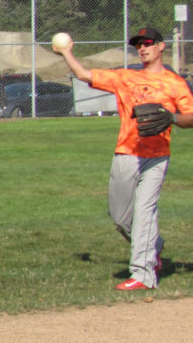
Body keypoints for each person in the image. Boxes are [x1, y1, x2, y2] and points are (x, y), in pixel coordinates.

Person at [55, 27, 193, 290]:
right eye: (138, 45)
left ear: (161, 46)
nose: (143, 48)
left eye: (148, 43)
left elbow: (191, 117)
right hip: (127, 152)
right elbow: (84, 75)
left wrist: (172, 117)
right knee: (120, 215)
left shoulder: (175, 83)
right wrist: (66, 53)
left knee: (145, 213)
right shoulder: (125, 77)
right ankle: (154, 245)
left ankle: (143, 274)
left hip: (157, 156)